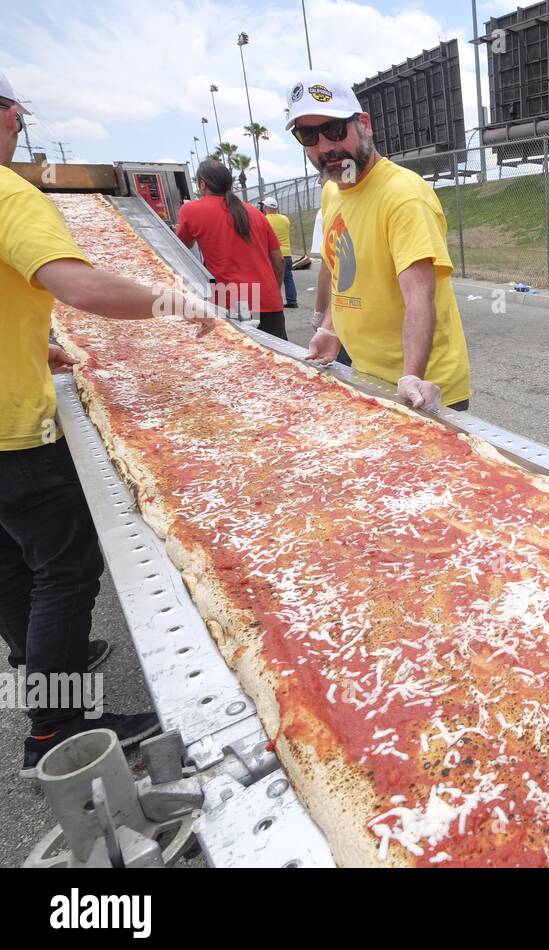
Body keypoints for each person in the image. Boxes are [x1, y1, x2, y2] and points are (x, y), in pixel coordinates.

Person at [0, 70, 217, 776]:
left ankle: (40, 665)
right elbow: (83, 286)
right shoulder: (10, 196)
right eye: (17, 121)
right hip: (10, 434)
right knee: (66, 567)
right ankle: (54, 732)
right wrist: (176, 302)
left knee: (10, 563)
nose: (19, 133)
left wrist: (39, 345)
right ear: (5, 119)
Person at [290, 70, 471, 411]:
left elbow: (419, 295)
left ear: (364, 125)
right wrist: (330, 330)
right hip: (365, 374)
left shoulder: (403, 196)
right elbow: (342, 275)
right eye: (308, 135)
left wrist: (411, 375)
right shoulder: (332, 192)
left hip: (421, 387)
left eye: (333, 129)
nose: (325, 146)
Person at [177, 159, 287, 340]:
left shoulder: (191, 211)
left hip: (235, 302)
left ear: (202, 184)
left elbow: (181, 248)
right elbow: (279, 261)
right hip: (269, 302)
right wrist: (273, 291)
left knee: (245, 363)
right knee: (281, 362)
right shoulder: (256, 213)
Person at [259, 195, 297, 308]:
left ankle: (276, 301)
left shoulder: (264, 219)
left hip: (274, 254)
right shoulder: (285, 219)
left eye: (263, 206)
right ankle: (292, 300)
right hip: (287, 253)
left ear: (266, 207)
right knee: (288, 277)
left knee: (274, 278)